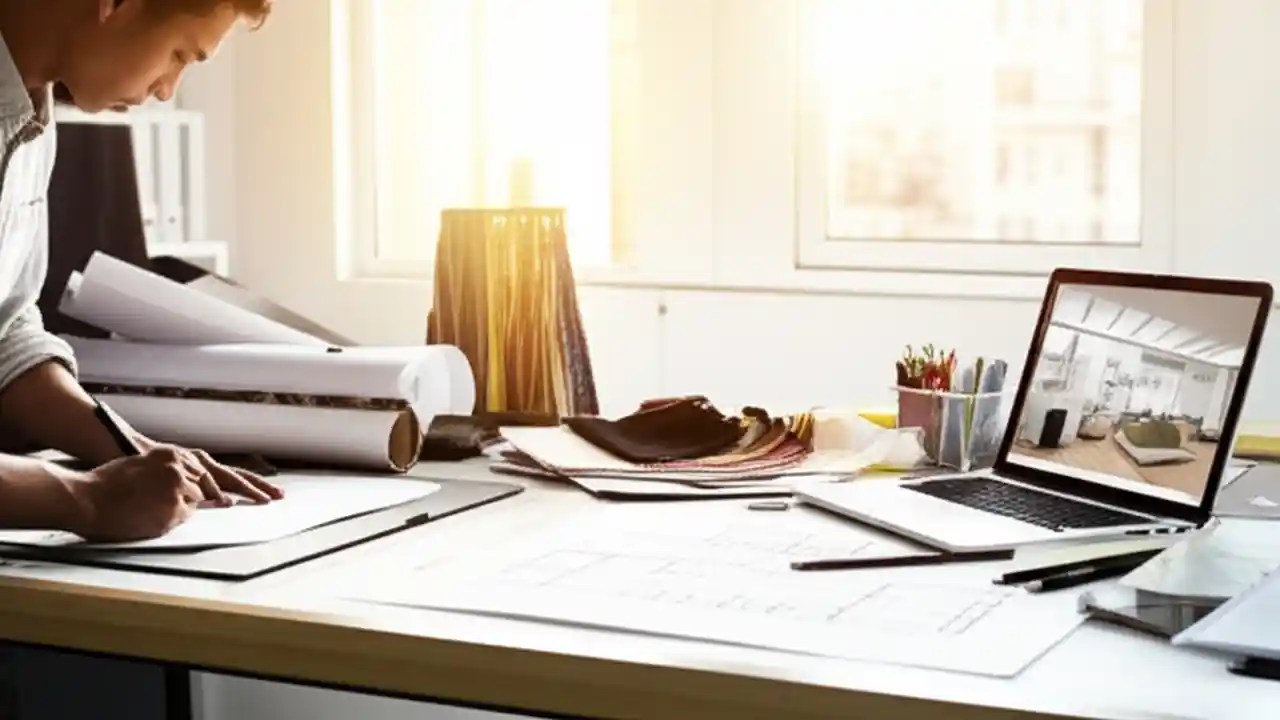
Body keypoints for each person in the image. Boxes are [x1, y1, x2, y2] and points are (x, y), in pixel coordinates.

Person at [0, 0, 281, 543]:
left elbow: (6, 331)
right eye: (179, 55)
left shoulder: (31, 112)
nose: (167, 88)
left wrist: (126, 444)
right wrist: (82, 498)